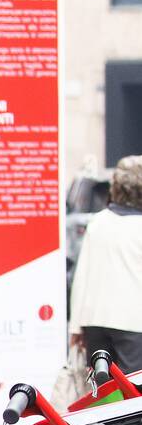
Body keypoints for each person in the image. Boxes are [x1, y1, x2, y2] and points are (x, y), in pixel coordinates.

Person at [70, 156, 142, 372]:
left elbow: (81, 277)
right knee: (135, 393)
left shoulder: (98, 222)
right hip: (133, 323)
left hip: (96, 321)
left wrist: (76, 325)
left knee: (102, 394)